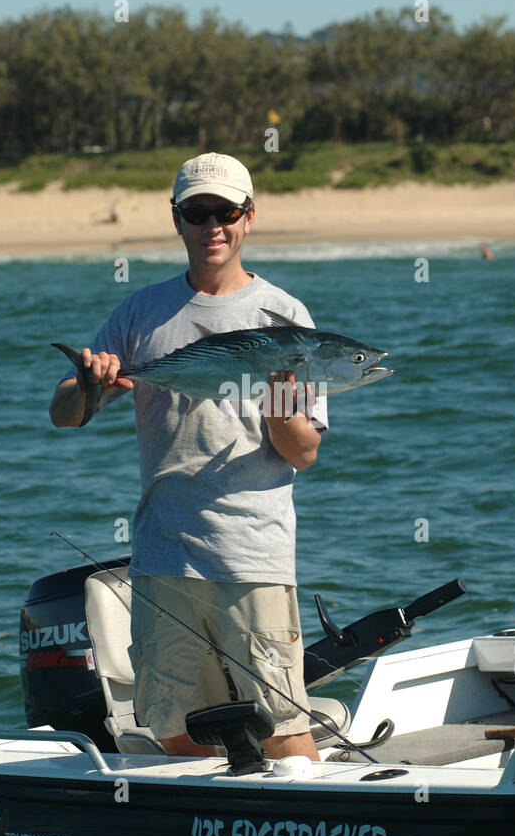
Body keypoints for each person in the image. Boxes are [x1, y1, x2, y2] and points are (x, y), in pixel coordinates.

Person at [49, 153, 325, 761]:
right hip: (163, 554)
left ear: (249, 218)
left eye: (225, 212)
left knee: (282, 729)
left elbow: (302, 452)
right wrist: (92, 383)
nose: (213, 226)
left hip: (251, 553)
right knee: (174, 729)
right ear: (177, 221)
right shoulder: (140, 313)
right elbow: (64, 414)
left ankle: (294, 829)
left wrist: (279, 397)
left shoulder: (284, 320)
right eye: (197, 213)